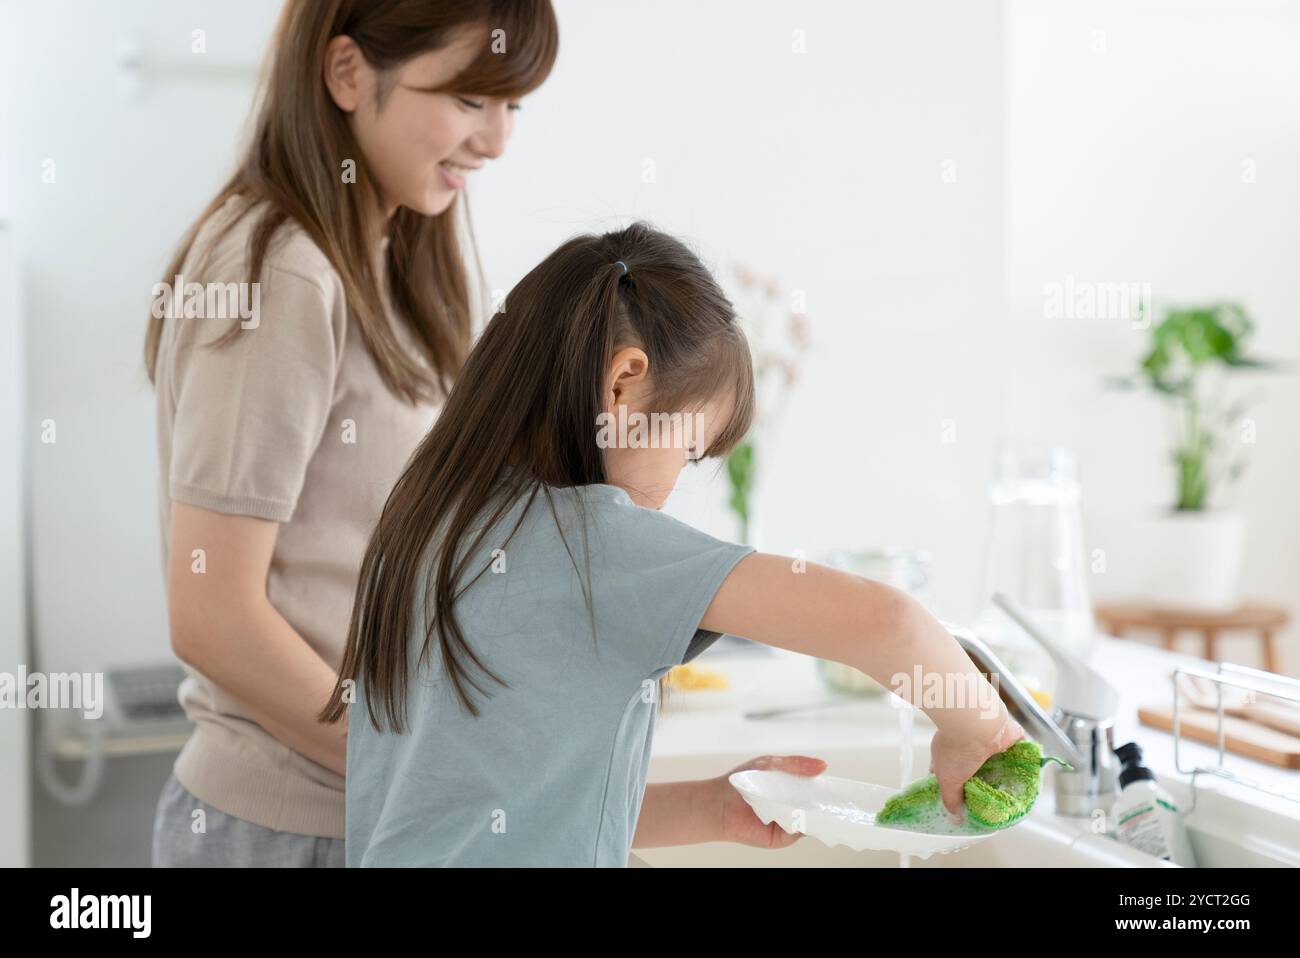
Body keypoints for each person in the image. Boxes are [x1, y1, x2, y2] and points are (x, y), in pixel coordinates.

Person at [327, 222, 1026, 867]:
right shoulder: (593, 544)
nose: (676, 486)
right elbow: (886, 622)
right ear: (623, 386)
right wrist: (981, 727)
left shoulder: (429, 522)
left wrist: (711, 806)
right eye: (690, 452)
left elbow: (501, 812)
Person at [146, 0, 558, 866]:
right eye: (472, 98)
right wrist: (416, 761)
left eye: (513, 104)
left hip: (365, 813)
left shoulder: (385, 262)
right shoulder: (283, 270)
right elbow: (211, 613)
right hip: (287, 828)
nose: (497, 141)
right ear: (346, 74)